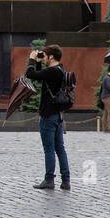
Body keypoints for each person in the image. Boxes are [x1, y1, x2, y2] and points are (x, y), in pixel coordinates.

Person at [24, 44, 72, 190]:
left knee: (49, 149)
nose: (43, 57)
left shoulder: (52, 72)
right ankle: (66, 181)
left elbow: (30, 74)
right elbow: (40, 76)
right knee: (60, 149)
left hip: (48, 115)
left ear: (51, 57)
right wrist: (39, 62)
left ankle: (49, 180)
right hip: (58, 115)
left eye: (44, 55)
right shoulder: (59, 70)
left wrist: (32, 60)